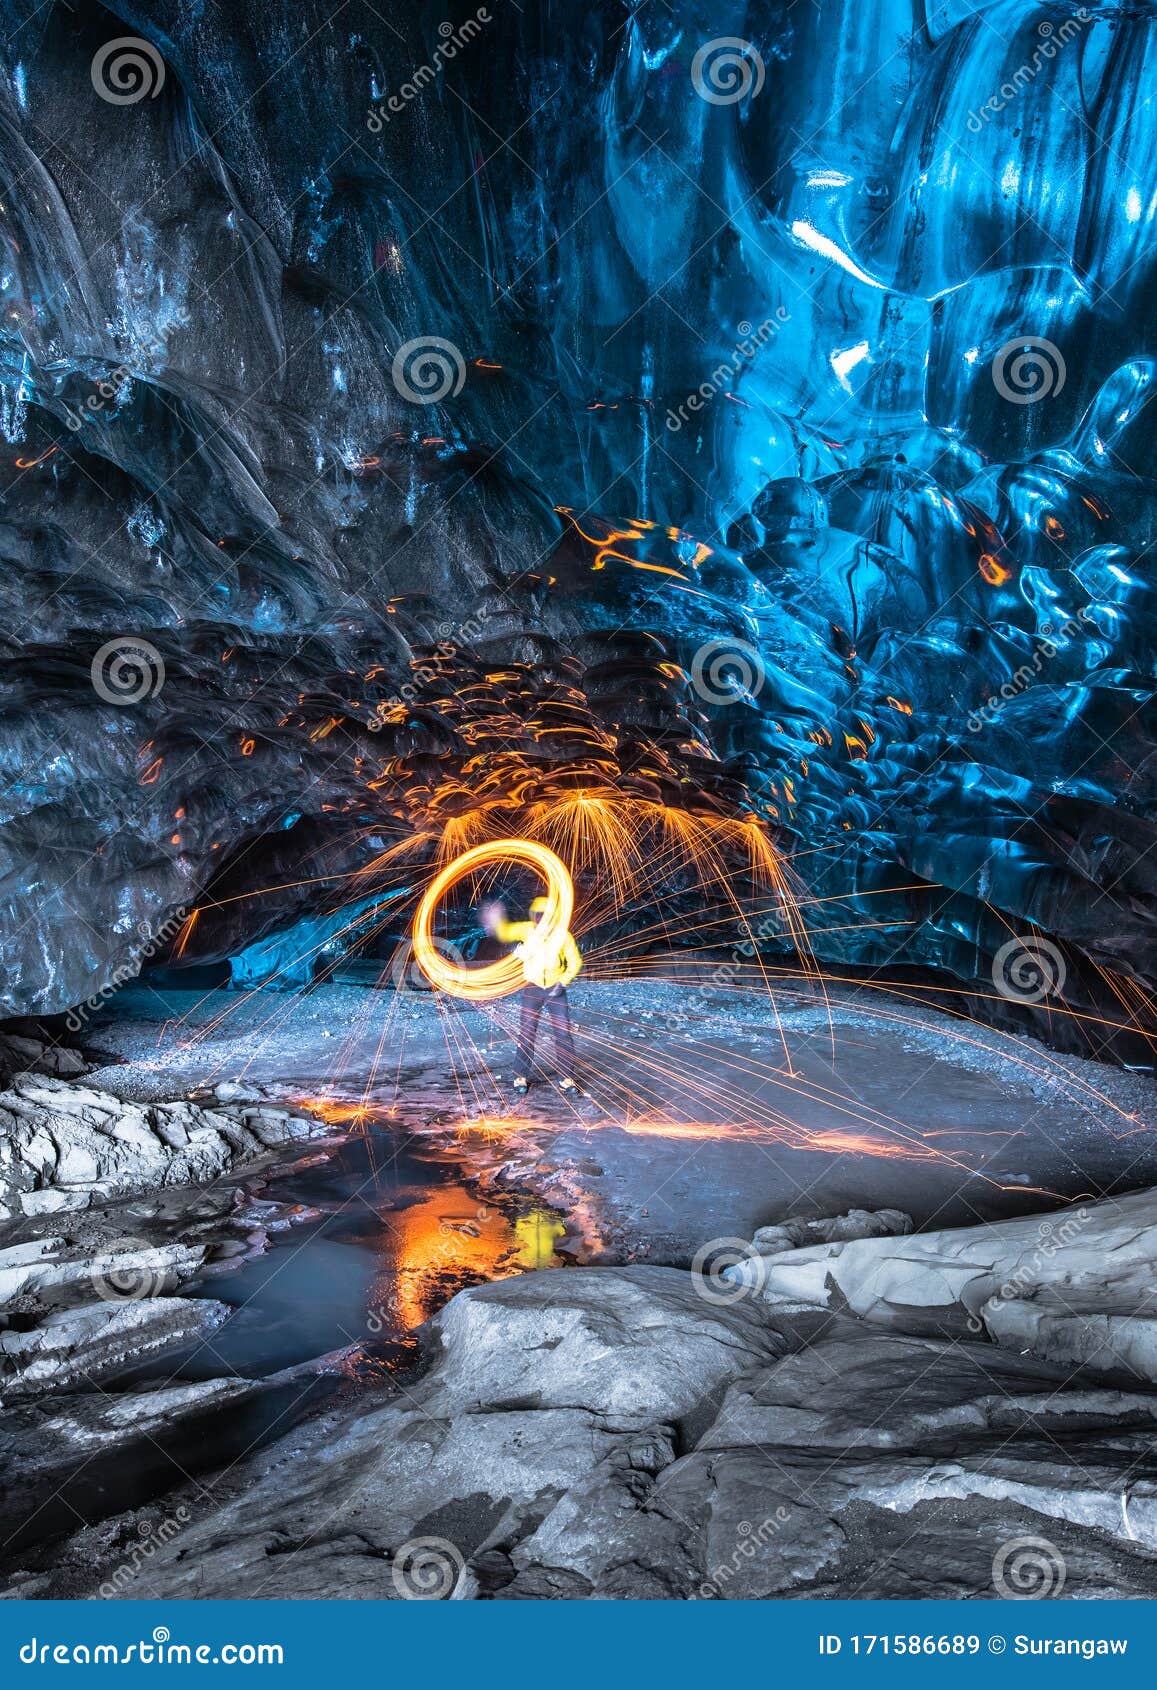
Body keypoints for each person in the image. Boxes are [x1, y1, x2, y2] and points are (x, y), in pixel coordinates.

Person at [479, 896, 582, 1093]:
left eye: (545, 917)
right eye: (538, 916)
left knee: (563, 1034)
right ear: (533, 917)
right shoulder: (526, 929)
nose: (541, 921)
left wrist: (562, 982)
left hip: (555, 989)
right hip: (532, 987)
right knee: (527, 1033)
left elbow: (575, 961)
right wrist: (496, 919)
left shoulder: (562, 936)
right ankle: (520, 1077)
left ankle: (566, 1078)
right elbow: (505, 932)